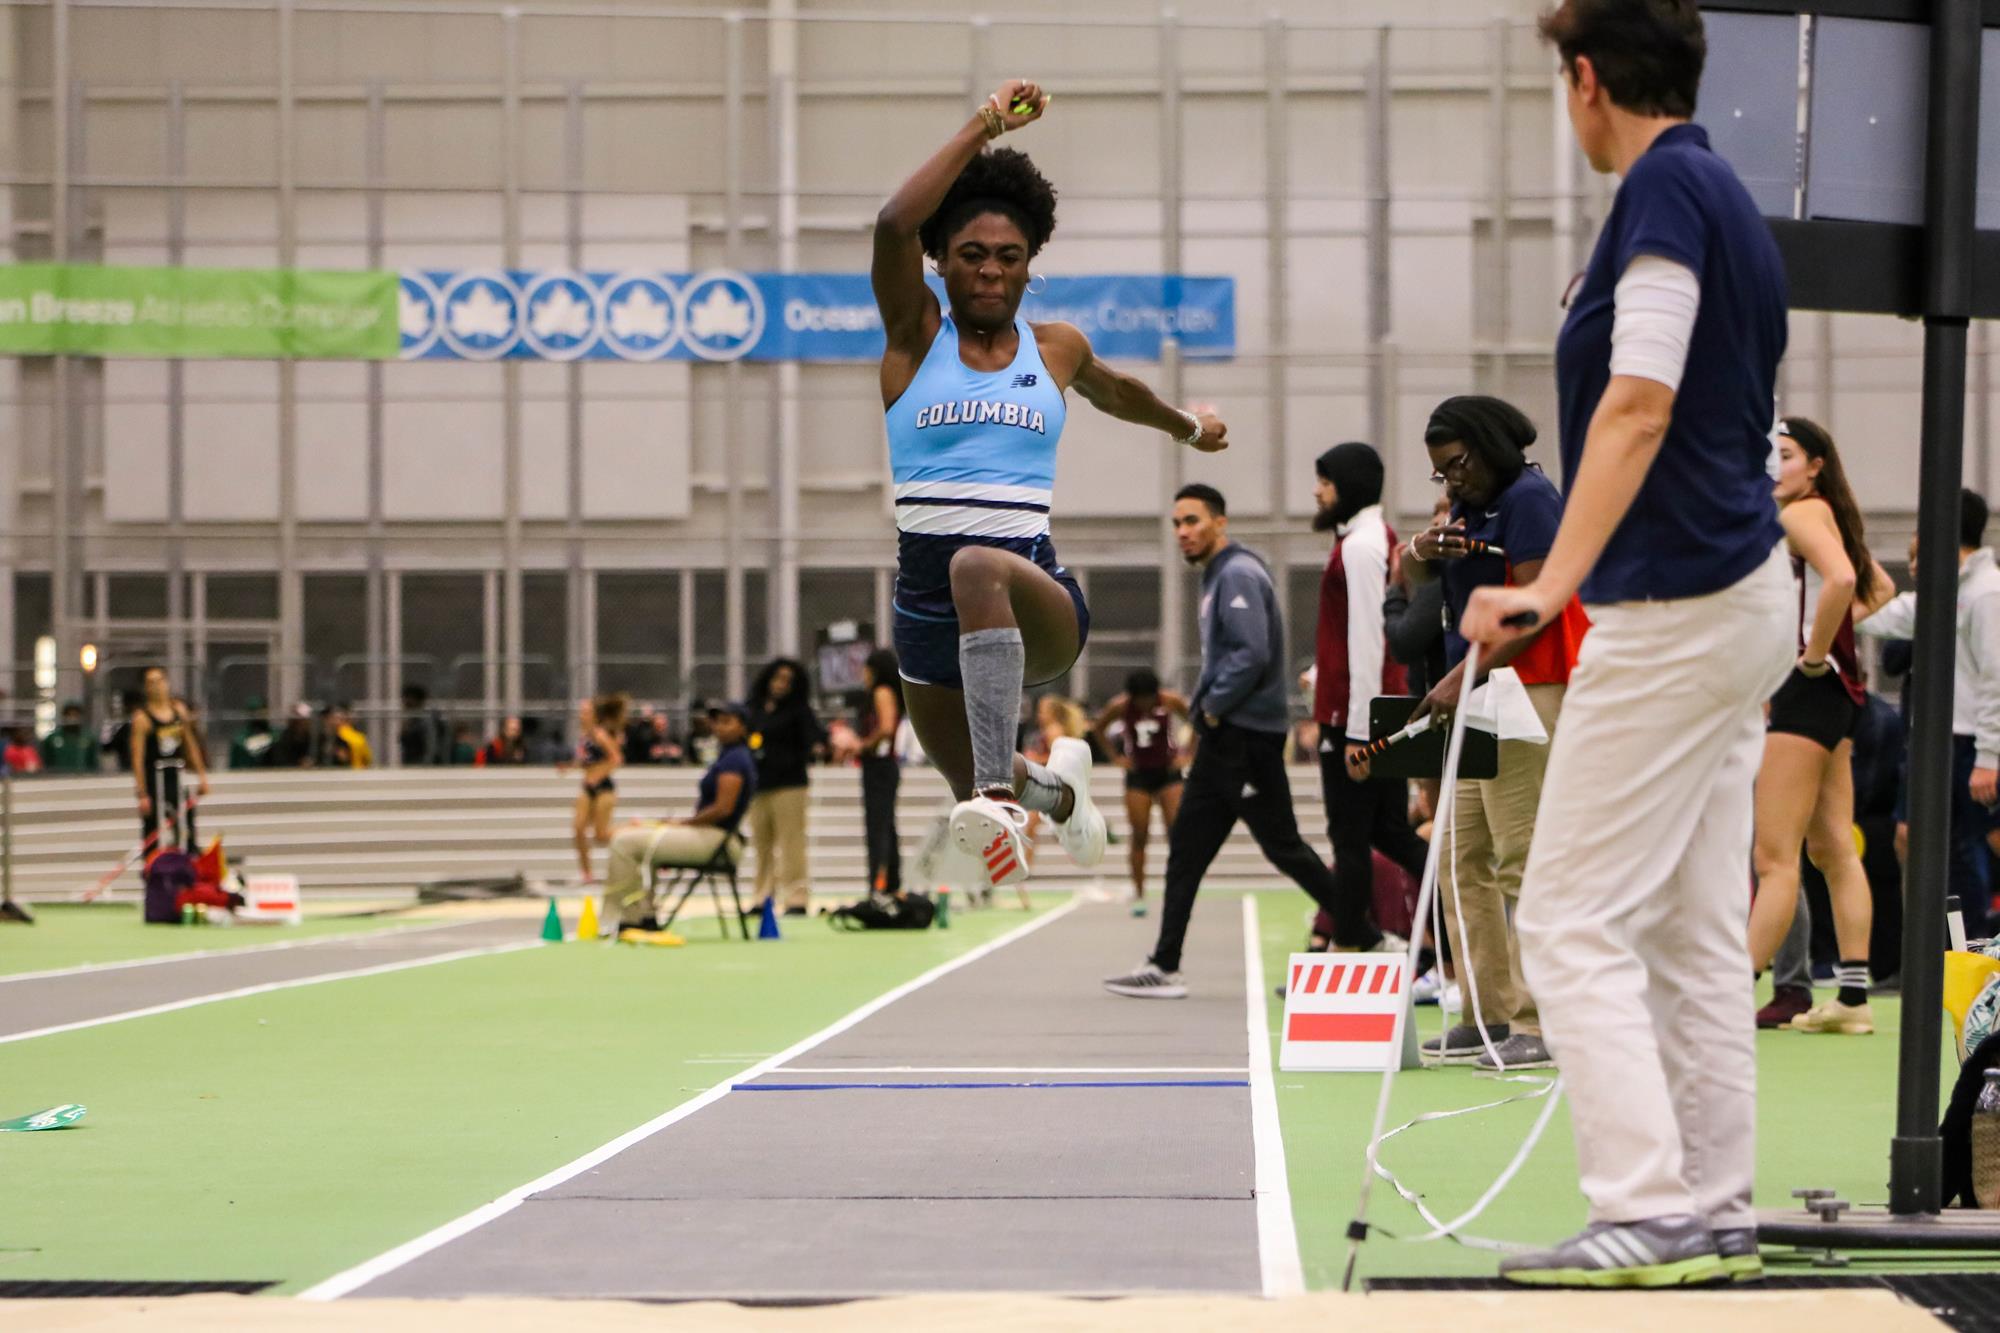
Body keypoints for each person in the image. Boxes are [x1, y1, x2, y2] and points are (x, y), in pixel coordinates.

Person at [1458, 0, 1794, 1287]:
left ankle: (1642, 1204)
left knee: (1567, 914)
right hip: (1737, 599)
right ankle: (1710, 1206)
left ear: (1585, 79)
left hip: (1675, 611)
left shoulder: (1662, 193)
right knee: (1690, 928)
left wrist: (1547, 586)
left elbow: (1638, 404)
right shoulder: (1719, 196)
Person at [871, 78, 1227, 892]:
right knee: (967, 788)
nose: (991, 272)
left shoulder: (1056, 348)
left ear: (1031, 266)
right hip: (928, 618)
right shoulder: (914, 338)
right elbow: (893, 221)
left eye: (1009, 257)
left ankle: (1002, 788)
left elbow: (1115, 391)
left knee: (976, 566)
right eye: (971, 256)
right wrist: (984, 125)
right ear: (939, 263)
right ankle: (1057, 790)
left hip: (1037, 601)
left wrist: (1188, 427)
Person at [1385, 396, 1590, 1073]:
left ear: (1489, 446)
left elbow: (1532, 608)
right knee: (1454, 856)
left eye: (1457, 466)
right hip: (1478, 693)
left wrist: (1458, 677)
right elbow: (1415, 578)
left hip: (1526, 691)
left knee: (1519, 857)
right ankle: (1485, 1010)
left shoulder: (1531, 500)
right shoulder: (1475, 506)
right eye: (1440, 474)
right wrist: (1419, 547)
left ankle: (1539, 1018)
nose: (1451, 482)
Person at [1105, 485, 1369, 999]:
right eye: (1177, 523)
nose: (1182, 532)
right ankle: (1165, 963)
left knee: (1283, 847)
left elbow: (1250, 654)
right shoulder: (1219, 577)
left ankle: (1367, 931)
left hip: (1245, 739)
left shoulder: (1238, 574)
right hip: (1226, 740)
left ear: (1220, 524)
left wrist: (1209, 707)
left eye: (1193, 521)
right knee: (1187, 848)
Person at [1741, 419, 1893, 1034]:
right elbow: (1878, 585)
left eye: (1786, 455)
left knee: (1774, 856)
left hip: (1808, 696)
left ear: (1816, 464)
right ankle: (1853, 1001)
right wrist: (1829, 647)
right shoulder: (1824, 512)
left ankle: (1725, 998)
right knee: (1830, 846)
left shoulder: (1800, 515)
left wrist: (1809, 654)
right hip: (1836, 696)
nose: (1774, 465)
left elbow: (1849, 581)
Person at [1856, 488, 2000, 945]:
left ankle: (1971, 947)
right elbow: (1884, 616)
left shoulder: (1985, 593)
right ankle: (1931, 953)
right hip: (1936, 741)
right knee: (1916, 840)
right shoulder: (1946, 590)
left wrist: (1989, 755)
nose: (1916, 538)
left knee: (1977, 846)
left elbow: (1997, 677)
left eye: (1924, 526)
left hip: (1971, 743)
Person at [1309, 441, 1429, 951]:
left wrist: (1359, 732)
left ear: (1349, 486)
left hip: (1356, 722)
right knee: (1390, 833)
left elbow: (1369, 640)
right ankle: (1443, 921)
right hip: (1364, 709)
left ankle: (1351, 945)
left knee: (1351, 838)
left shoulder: (1360, 548)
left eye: (1326, 482)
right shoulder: (1369, 540)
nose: (1318, 492)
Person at [602, 702, 759, 935]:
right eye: (717, 721)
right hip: (711, 836)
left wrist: (683, 824)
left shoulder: (735, 760)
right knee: (636, 840)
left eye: (727, 721)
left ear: (744, 727)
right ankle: (644, 914)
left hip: (719, 840)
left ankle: (627, 918)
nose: (719, 727)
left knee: (624, 844)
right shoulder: (727, 756)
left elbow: (723, 809)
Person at [1092, 669, 1189, 916]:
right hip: (1138, 775)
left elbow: (1196, 721)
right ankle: (1139, 893)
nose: (1145, 704)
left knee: (1177, 833)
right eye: (1140, 699)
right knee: (1139, 834)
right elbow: (1098, 728)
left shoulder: (1170, 701)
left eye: (1148, 698)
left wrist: (1188, 754)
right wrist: (1116, 757)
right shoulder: (1121, 706)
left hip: (1168, 773)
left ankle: (1178, 892)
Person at [746, 657, 826, 915]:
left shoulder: (799, 711)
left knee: (792, 843)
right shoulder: (754, 708)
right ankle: (763, 897)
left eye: (787, 681)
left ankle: (796, 898)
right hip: (759, 785)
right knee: (762, 845)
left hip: (790, 785)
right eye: (777, 678)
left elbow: (815, 738)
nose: (781, 685)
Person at [130, 665, 211, 851]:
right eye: (151, 683)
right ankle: (153, 871)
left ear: (167, 683)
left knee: (185, 826)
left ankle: (187, 865)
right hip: (154, 779)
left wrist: (202, 777)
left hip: (175, 776)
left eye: (159, 681)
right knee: (153, 831)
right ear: (145, 687)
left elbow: (190, 744)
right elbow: (137, 757)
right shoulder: (142, 718)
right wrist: (142, 793)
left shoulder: (178, 711)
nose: (156, 686)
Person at [851, 650, 905, 896]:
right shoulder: (884, 692)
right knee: (886, 824)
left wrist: (863, 746)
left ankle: (878, 883)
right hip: (881, 766)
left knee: (878, 826)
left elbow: (886, 727)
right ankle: (891, 882)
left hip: (880, 766)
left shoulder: (881, 692)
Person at [565, 695, 627, 885]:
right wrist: (569, 767)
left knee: (601, 835)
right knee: (578, 828)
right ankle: (586, 873)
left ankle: (633, 830)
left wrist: (598, 776)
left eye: (585, 712)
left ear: (594, 714)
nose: (581, 715)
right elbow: (585, 761)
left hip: (603, 788)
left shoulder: (600, 734)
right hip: (587, 786)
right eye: (581, 712)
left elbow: (616, 759)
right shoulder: (584, 736)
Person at [38, 701, 96, 774]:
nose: (72, 718)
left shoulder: (89, 739)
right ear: (64, 717)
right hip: (57, 779)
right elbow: (45, 762)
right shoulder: (52, 739)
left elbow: (94, 764)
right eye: (69, 715)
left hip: (82, 779)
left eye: (75, 715)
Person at [227, 697, 274, 770]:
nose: (258, 716)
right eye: (254, 713)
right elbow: (233, 767)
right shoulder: (239, 740)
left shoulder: (275, 736)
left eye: (262, 712)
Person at [268, 702, 316, 768]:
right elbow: (280, 761)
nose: (306, 722)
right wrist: (298, 764)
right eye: (303, 720)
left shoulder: (309, 737)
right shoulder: (284, 738)